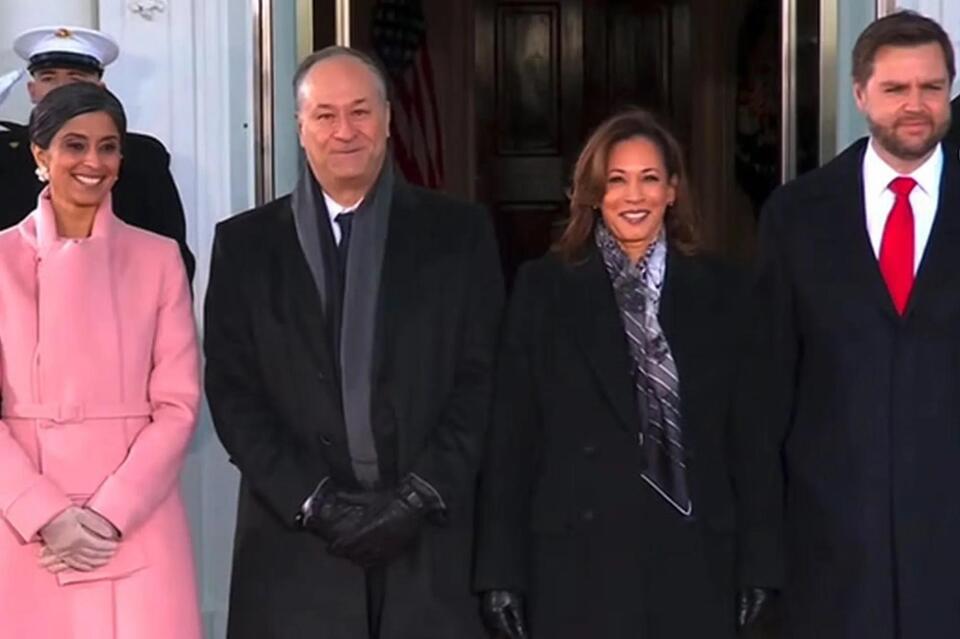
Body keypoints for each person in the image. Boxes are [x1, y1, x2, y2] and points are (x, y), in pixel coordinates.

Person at [204, 46, 504, 639]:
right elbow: (233, 394)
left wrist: (419, 497)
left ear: (389, 120)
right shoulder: (244, 247)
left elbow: (483, 378)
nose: (345, 131)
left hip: (429, 547)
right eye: (325, 115)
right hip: (296, 552)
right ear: (299, 126)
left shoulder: (460, 235)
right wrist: (313, 502)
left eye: (361, 112)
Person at [473, 108, 775, 639]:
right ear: (592, 193)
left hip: (696, 559)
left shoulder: (726, 291)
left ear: (673, 191)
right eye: (617, 181)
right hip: (577, 564)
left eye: (649, 179)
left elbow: (751, 439)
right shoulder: (543, 290)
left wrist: (761, 562)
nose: (634, 197)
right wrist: (500, 572)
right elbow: (511, 441)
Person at [747, 11, 960, 638]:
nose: (915, 105)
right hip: (830, 553)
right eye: (896, 89)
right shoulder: (796, 215)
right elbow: (768, 393)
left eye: (931, 86)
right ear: (860, 93)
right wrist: (764, 552)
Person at [0, 82, 200, 638]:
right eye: (74, 144)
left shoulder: (158, 259)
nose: (94, 161)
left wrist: (111, 512)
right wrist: (46, 514)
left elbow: (179, 404)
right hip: (23, 526)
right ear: (40, 154)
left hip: (138, 520)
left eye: (108, 147)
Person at [0, 25, 194, 281]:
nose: (60, 89)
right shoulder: (5, 154)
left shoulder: (141, 157)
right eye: (48, 78)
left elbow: (173, 257)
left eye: (75, 79)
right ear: (32, 90)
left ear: (99, 89)